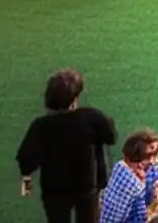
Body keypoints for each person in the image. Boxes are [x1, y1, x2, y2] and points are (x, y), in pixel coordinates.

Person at [17, 69, 118, 223]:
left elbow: (27, 158)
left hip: (54, 190)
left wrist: (26, 183)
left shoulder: (41, 126)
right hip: (87, 187)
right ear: (75, 97)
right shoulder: (91, 117)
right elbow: (111, 137)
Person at [99, 129, 158, 223]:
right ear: (138, 162)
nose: (156, 161)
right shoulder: (126, 186)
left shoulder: (145, 167)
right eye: (152, 156)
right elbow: (108, 219)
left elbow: (157, 175)